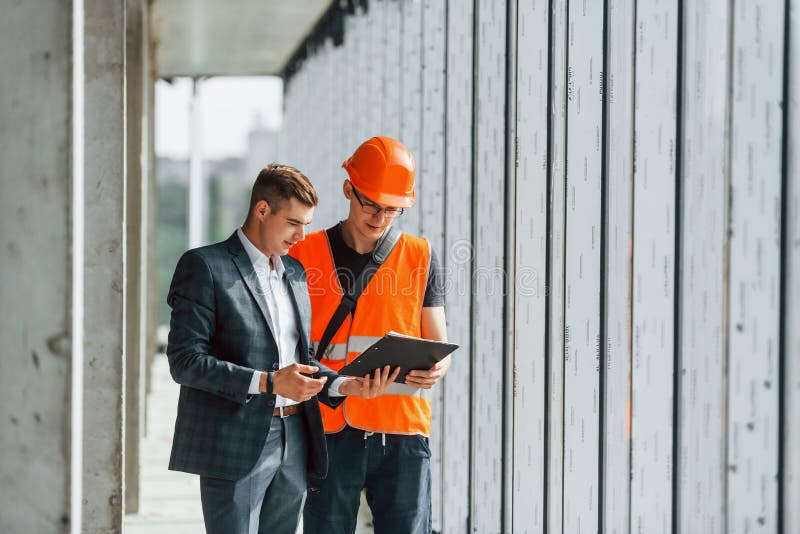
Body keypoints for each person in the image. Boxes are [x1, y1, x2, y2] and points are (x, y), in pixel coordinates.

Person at [165, 164, 396, 534]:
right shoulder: (206, 267)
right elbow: (186, 362)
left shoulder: (295, 272)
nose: (302, 236)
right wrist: (269, 383)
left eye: (306, 224)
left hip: (296, 437)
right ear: (261, 210)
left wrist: (342, 385)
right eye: (293, 223)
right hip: (236, 441)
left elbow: (298, 361)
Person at [290, 136, 450, 534]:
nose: (380, 217)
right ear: (348, 189)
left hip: (401, 430)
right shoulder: (302, 253)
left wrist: (437, 368)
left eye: (392, 209)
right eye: (371, 204)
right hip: (330, 428)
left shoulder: (420, 255)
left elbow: (437, 342)